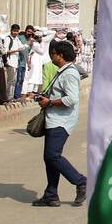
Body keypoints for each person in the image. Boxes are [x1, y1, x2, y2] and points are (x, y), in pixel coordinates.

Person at [32, 40, 86, 207]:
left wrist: (49, 102)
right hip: (54, 119)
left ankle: (81, 181)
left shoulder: (69, 73)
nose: (51, 56)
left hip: (61, 121)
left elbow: (71, 99)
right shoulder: (62, 72)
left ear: (60, 55)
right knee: (49, 158)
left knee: (52, 156)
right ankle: (51, 195)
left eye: (53, 53)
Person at [3, 23, 24, 104]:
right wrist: (16, 50)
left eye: (17, 31)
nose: (15, 33)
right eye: (14, 31)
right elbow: (5, 51)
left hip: (16, 63)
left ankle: (11, 97)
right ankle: (8, 98)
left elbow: (22, 47)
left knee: (14, 81)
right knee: (10, 81)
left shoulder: (17, 39)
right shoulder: (8, 39)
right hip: (10, 62)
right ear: (11, 31)